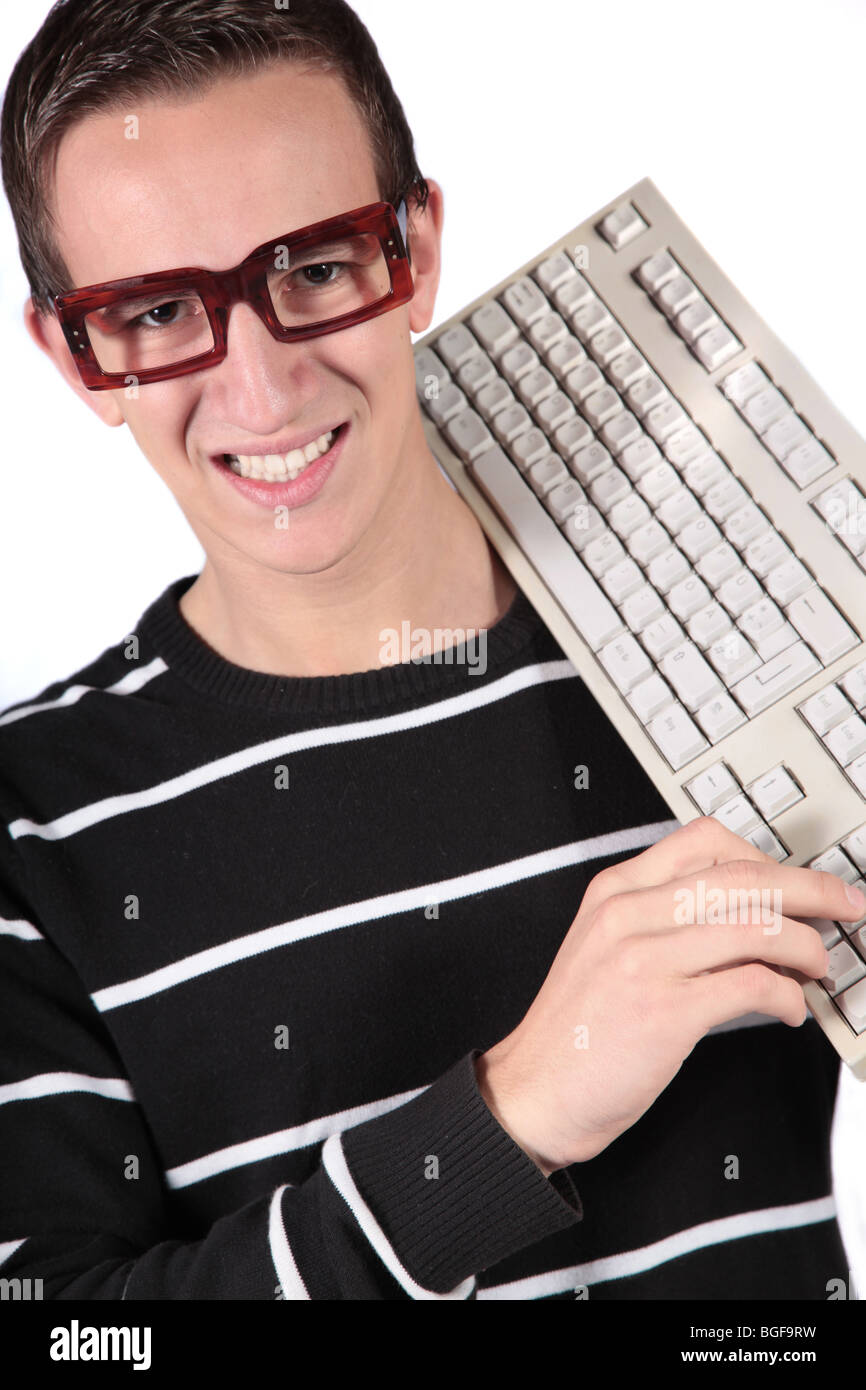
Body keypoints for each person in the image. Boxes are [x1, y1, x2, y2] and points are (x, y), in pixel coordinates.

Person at [0, 0, 857, 1301]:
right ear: (76, 356)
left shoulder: (731, 626)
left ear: (417, 250)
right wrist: (505, 1119)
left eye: (317, 267)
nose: (261, 388)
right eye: (162, 308)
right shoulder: (28, 827)